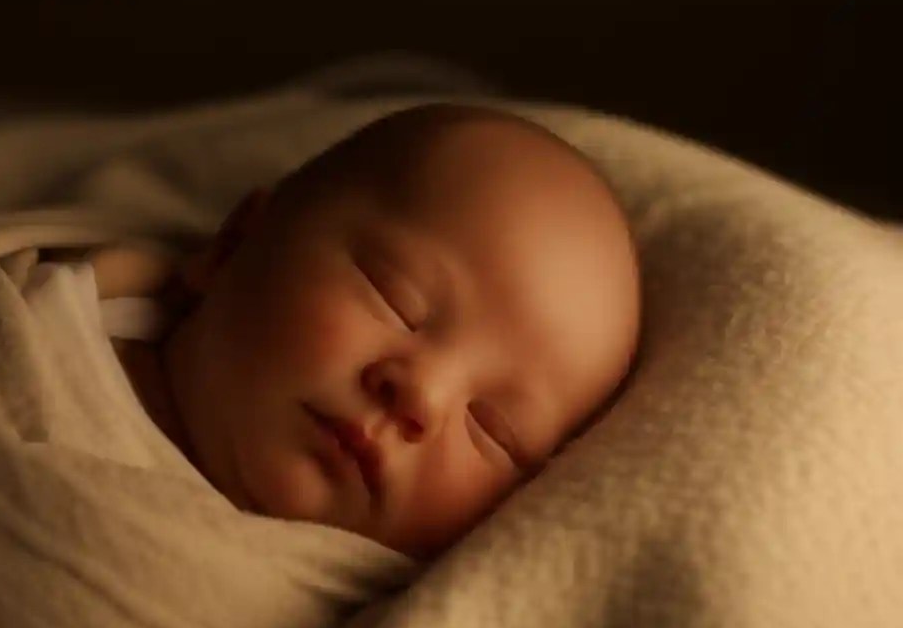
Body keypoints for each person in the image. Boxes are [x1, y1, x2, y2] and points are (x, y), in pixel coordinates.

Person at [84, 103, 641, 560]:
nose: (423, 392)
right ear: (235, 242)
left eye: (492, 429)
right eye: (394, 297)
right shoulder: (51, 322)